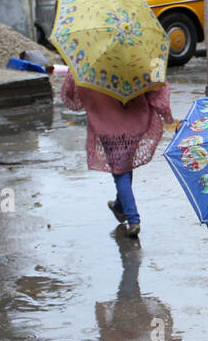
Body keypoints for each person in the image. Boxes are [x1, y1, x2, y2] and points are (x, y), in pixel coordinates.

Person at [61, 72, 173, 238]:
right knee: (124, 166)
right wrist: (165, 112)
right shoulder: (140, 55)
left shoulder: (92, 60)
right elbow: (158, 82)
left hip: (106, 122)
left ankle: (133, 219)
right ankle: (120, 208)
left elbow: (71, 90)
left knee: (120, 172)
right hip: (135, 121)